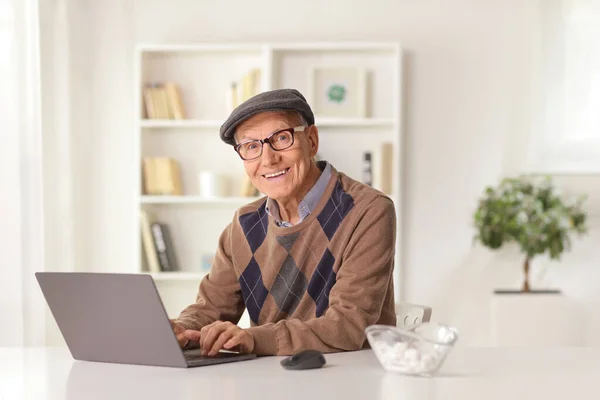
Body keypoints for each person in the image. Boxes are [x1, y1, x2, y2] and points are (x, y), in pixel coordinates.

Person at [170, 88, 397, 356]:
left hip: (349, 378)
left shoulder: (368, 211)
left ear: (312, 140)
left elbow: (348, 326)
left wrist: (255, 338)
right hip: (272, 378)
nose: (268, 159)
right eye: (251, 146)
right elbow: (210, 308)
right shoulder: (244, 224)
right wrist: (181, 330)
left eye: (281, 138)